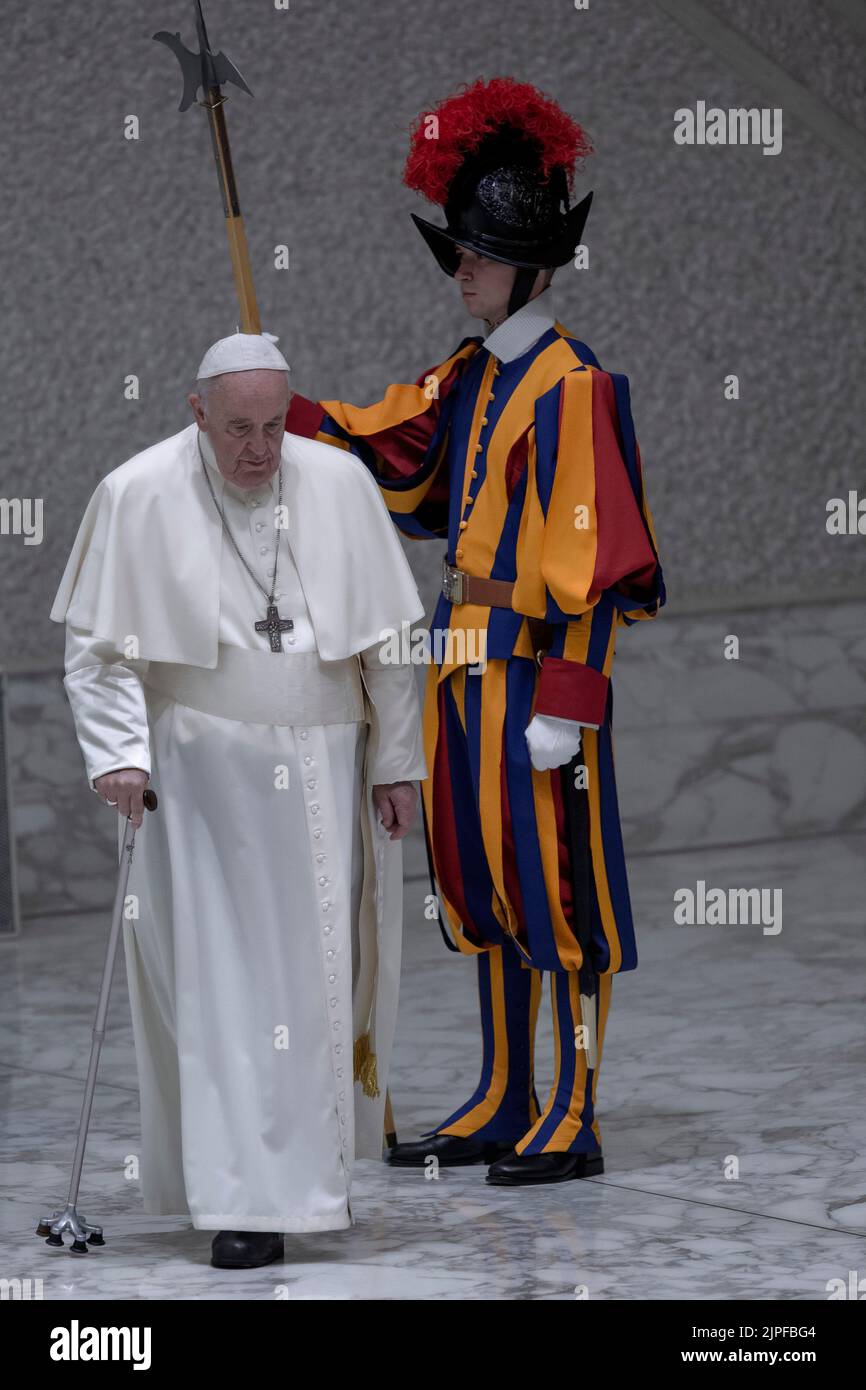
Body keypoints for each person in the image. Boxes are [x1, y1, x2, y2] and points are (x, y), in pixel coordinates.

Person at [286, 79, 666, 1186]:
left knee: (561, 901)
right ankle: (506, 1093)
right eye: (459, 251)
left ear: (531, 264)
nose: (460, 269)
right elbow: (387, 454)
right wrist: (285, 403)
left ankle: (572, 1108)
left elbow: (595, 577)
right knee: (482, 890)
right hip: (461, 665)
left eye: (478, 254)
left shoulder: (573, 389)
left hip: (535, 676)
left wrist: (568, 700)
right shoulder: (470, 377)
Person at [50, 331, 427, 1266]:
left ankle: (306, 1187)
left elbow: (389, 642)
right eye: (238, 431)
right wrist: (118, 757)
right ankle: (241, 1200)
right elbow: (95, 653)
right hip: (201, 783)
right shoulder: (136, 492)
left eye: (272, 427)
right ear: (196, 413)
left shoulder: (336, 484)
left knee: (311, 979)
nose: (258, 450)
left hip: (322, 771)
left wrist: (396, 763)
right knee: (218, 985)